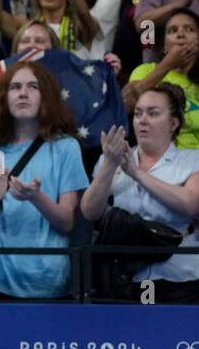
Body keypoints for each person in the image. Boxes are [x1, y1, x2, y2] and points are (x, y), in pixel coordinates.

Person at [0, 62, 89, 299]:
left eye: (32, 87)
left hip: (49, 281)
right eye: (15, 87)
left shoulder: (66, 148)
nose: (23, 93)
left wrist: (36, 197)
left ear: (46, 97)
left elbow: (67, 222)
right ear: (4, 98)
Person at [82, 85, 199, 303]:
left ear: (173, 123)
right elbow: (89, 211)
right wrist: (109, 165)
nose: (142, 120)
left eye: (153, 113)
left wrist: (136, 174)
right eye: (138, 113)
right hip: (123, 279)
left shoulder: (192, 159)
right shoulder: (114, 158)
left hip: (178, 277)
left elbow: (191, 204)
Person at [125, 7, 199, 147]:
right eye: (173, 30)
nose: (181, 34)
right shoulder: (147, 70)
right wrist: (168, 65)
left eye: (189, 29)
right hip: (157, 162)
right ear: (164, 46)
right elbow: (125, 103)